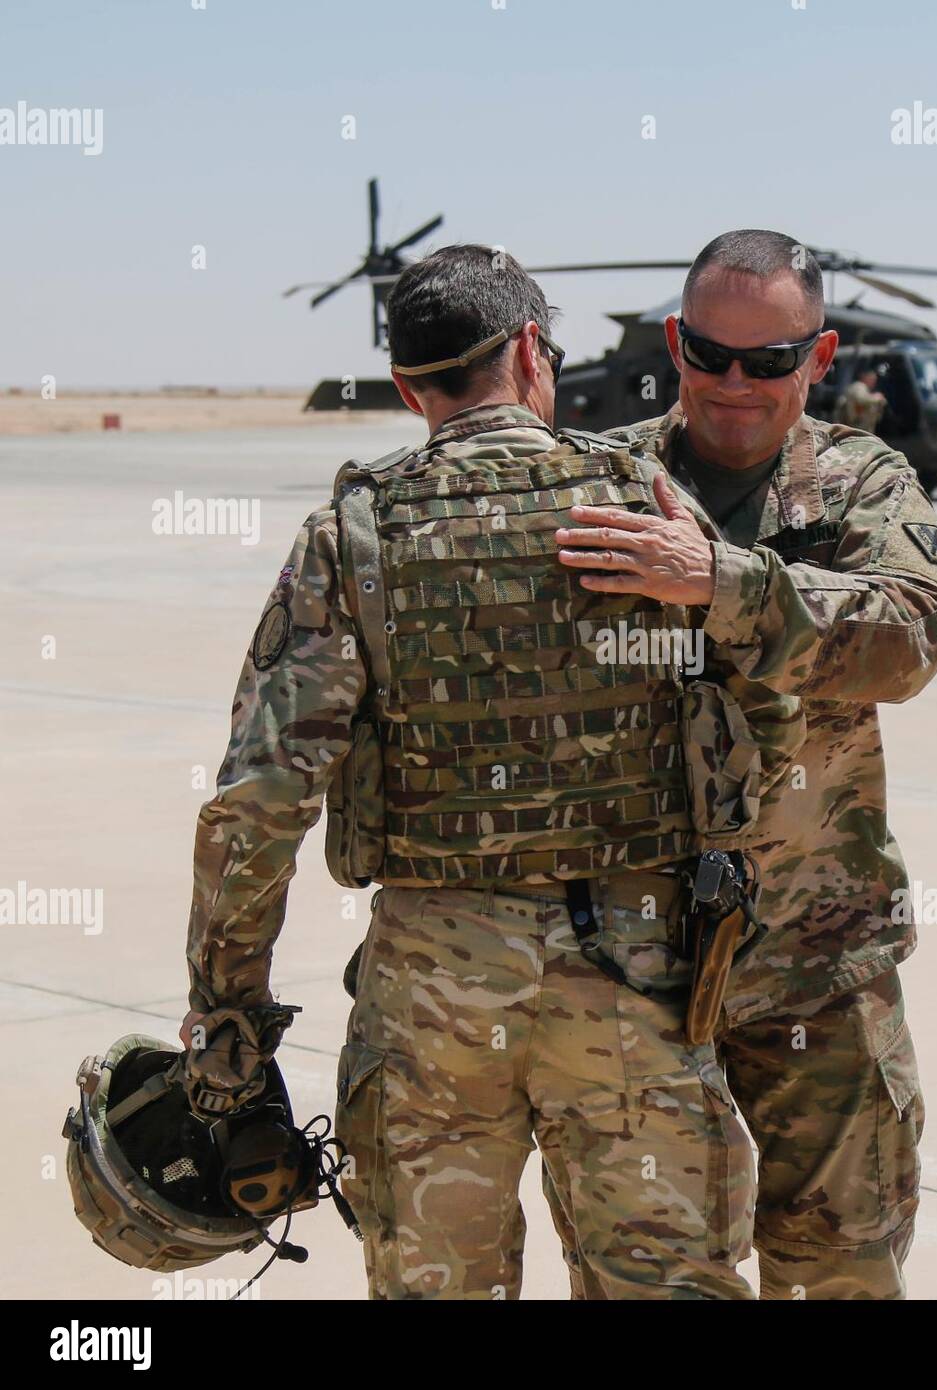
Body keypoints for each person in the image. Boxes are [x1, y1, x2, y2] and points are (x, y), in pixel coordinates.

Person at [180, 244, 808, 1300]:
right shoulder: (640, 502)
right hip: (634, 982)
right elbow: (765, 713)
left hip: (433, 995)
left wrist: (228, 1011)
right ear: (529, 350)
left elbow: (261, 799)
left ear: (407, 387)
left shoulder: (354, 533)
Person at [548, 229, 937, 1299]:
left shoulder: (861, 481)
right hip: (631, 976)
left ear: (818, 359)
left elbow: (906, 639)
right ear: (676, 345)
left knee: (840, 1270)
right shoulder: (606, 483)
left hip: (816, 969)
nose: (733, 383)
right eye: (707, 352)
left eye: (768, 360)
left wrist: (720, 582)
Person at [834, 362, 887, 434]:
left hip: (861, 427)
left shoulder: (863, 388)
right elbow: (861, 399)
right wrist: (876, 398)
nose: (873, 382)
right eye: (871, 379)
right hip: (857, 426)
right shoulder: (859, 386)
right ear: (864, 377)